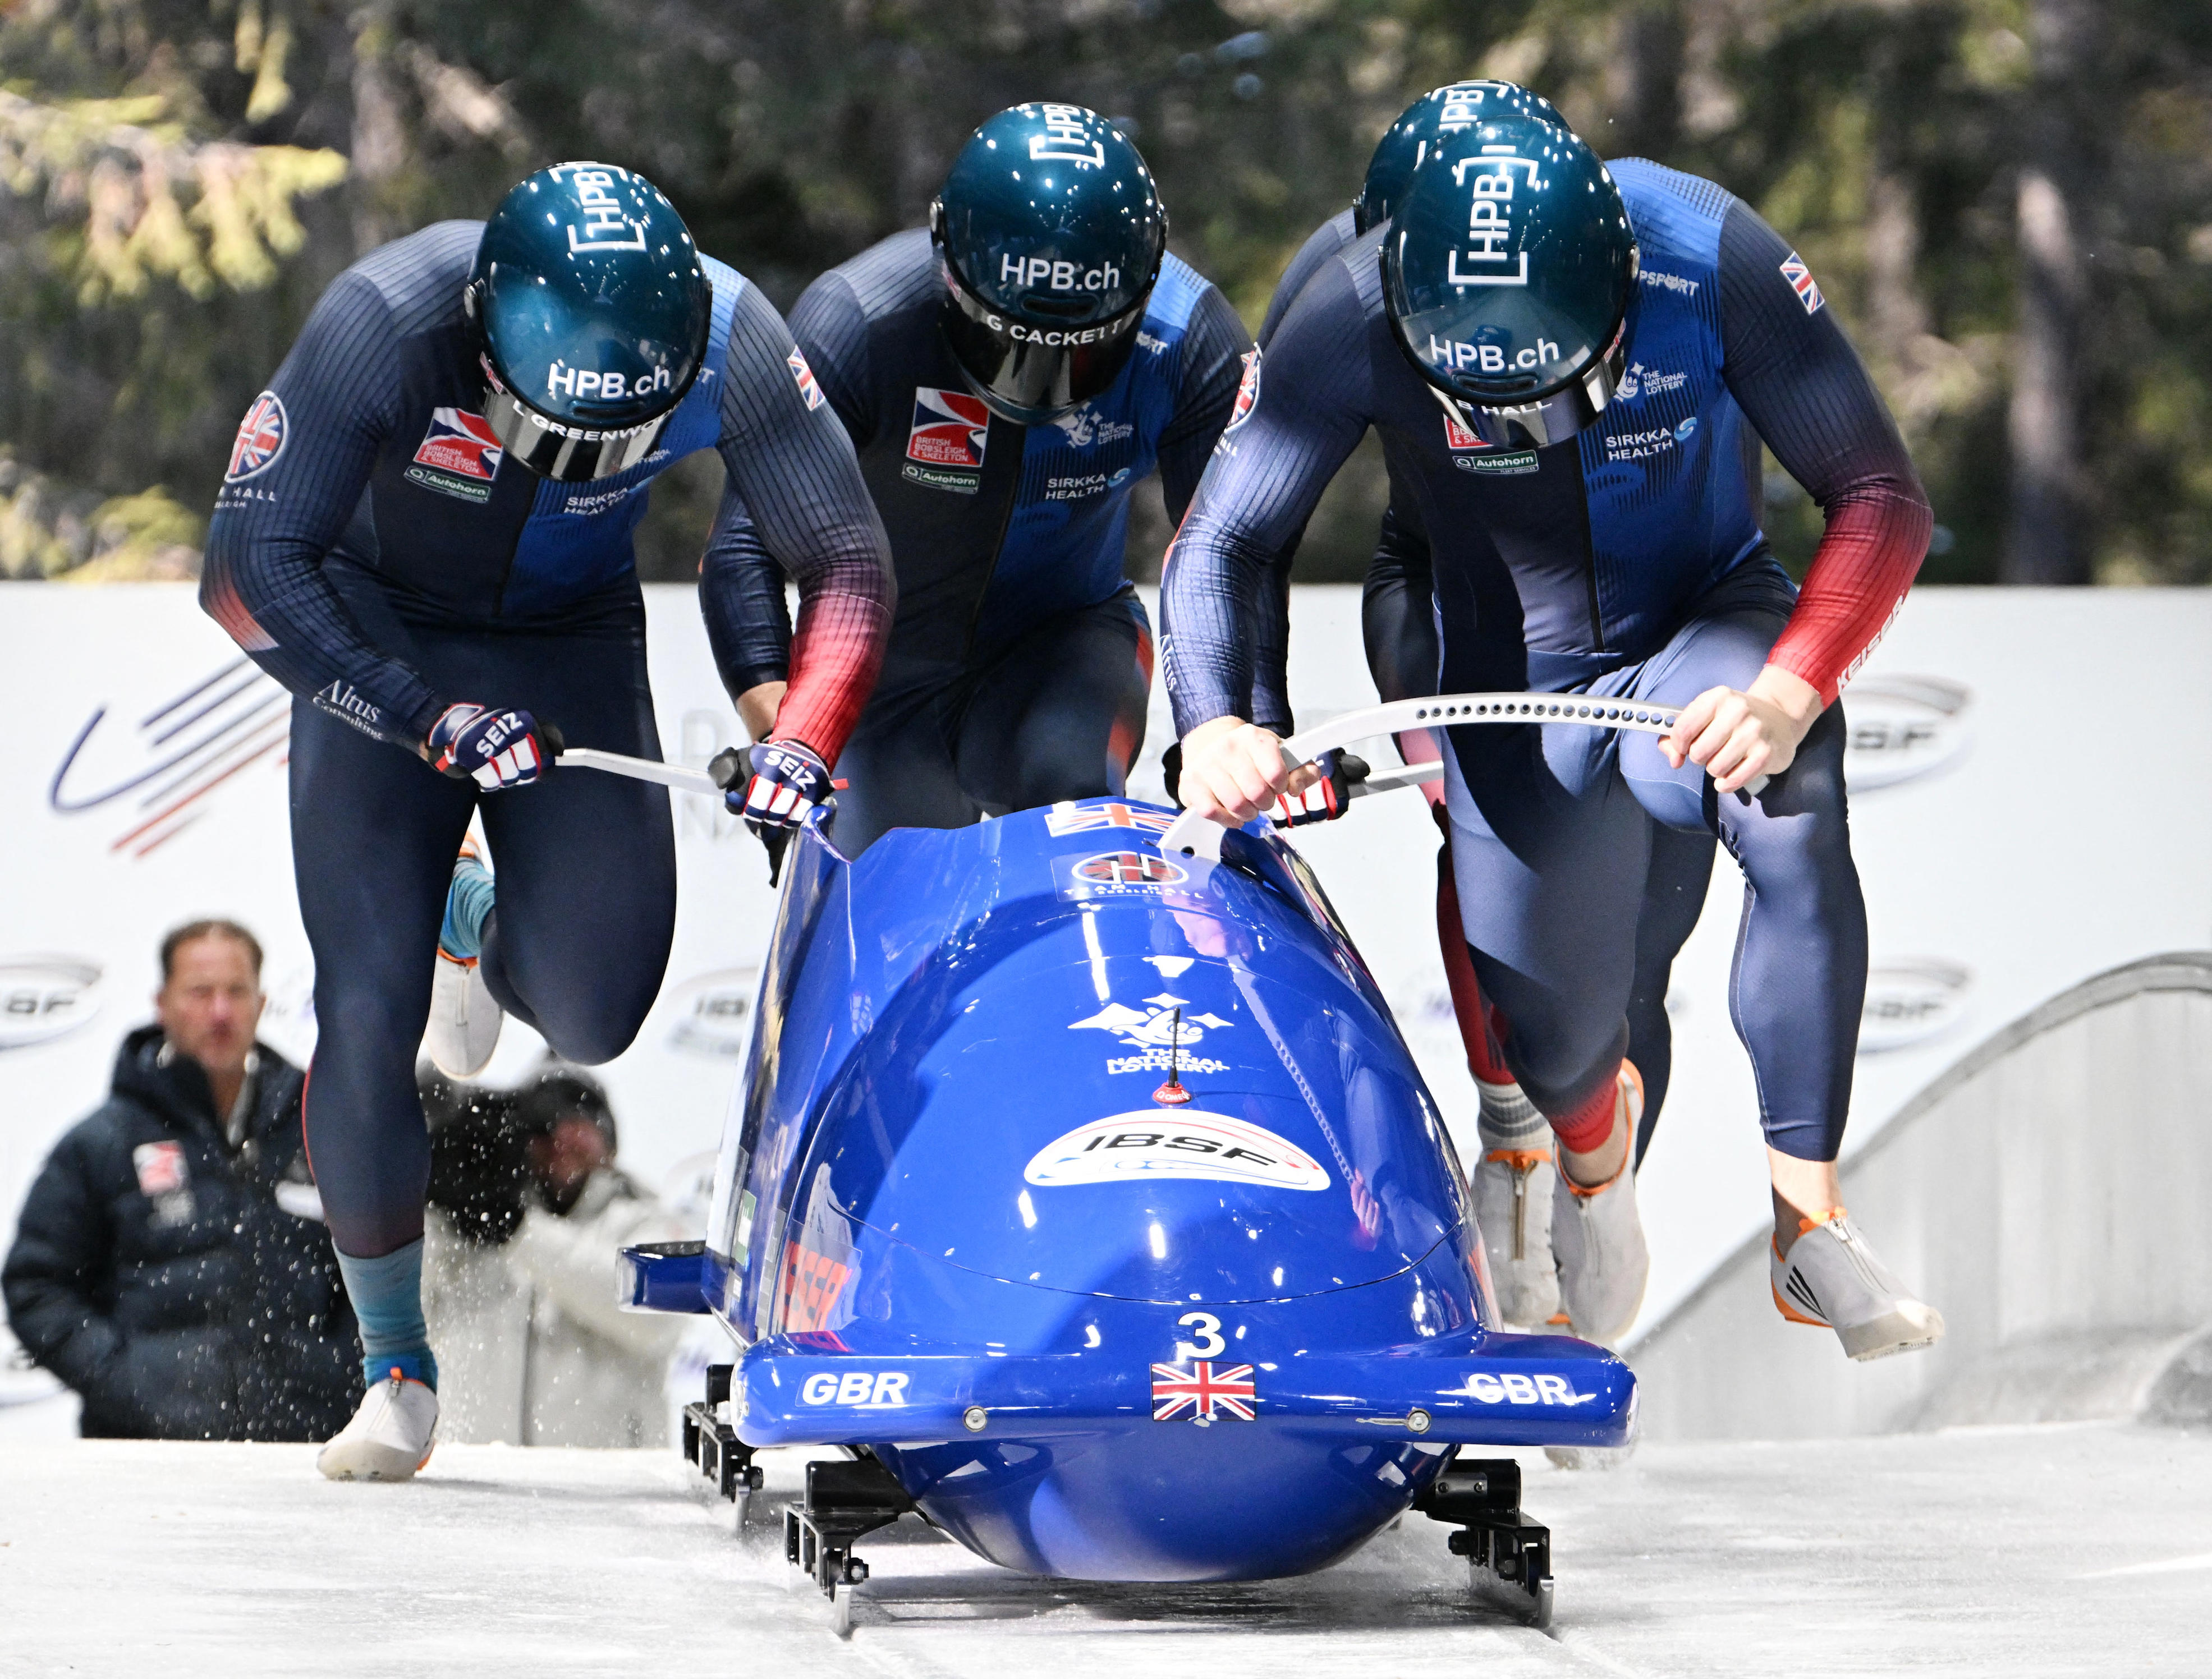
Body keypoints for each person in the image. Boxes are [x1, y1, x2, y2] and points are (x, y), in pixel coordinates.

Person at [1162, 82, 1945, 1361]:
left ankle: (1808, 1218)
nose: (1538, 428)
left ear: (1618, 280)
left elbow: (1876, 492)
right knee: (1560, 1038)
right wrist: (1219, 724)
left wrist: (1788, 686)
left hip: (1696, 625)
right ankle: (1575, 1144)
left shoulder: (1707, 251)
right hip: (1498, 659)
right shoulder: (1348, 301)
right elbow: (1225, 538)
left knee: (1791, 797)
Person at [199, 162, 894, 1480]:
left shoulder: (738, 334)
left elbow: (847, 566)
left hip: (566, 635)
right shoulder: (383, 319)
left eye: (626, 445)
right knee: (369, 999)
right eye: (561, 436)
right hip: (380, 627)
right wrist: (416, 714)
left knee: (596, 1010)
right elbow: (244, 571)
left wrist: (801, 738)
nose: (593, 465)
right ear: (485, 337)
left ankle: (485, 923)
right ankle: (397, 1365)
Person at [1248, 83, 1716, 1328]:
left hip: (1629, 605)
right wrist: (1244, 712)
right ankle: (1507, 1120)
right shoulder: (1336, 283)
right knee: (1488, 828)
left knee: (1631, 953)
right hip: (1452, 591)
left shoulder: (1648, 257)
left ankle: (1589, 1187)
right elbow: (1247, 519)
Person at [706, 103, 1252, 854]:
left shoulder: (1188, 339)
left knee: (1068, 797)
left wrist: (1218, 723)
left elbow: (1223, 549)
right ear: (948, 270)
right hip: (877, 672)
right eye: (1010, 342)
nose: (1042, 383)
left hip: (1062, 645)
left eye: (1082, 350)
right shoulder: (859, 321)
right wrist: (786, 734)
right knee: (888, 894)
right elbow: (743, 545)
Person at [2, 921, 361, 1439]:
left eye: (236, 991)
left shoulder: (319, 1130)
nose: (220, 1011)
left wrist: (339, 1378)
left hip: (305, 1453)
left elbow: (373, 1263)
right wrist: (129, 1382)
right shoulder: (103, 1143)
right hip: (147, 1459)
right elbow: (36, 1285)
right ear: (162, 1003)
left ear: (261, 1004)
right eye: (200, 991)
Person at [417, 1066, 687, 1448]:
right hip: (478, 1478)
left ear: (610, 1147)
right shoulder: (476, 1218)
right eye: (546, 1130)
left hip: (611, 1489)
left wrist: (520, 1231)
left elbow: (658, 1317)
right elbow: (414, 1306)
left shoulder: (641, 1218)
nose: (563, 1146)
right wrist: (433, 1199)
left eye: (580, 1131)